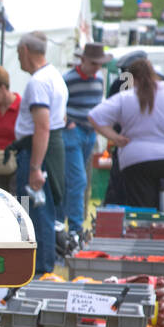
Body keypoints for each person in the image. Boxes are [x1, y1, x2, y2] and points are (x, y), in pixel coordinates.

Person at [8, 32, 68, 275]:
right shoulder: (54, 77)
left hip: (37, 153)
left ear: (24, 50)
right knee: (35, 209)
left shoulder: (38, 82)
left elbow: (42, 126)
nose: (18, 58)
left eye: (18, 53)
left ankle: (40, 269)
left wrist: (35, 167)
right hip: (44, 151)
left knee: (36, 211)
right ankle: (38, 266)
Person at [88, 56, 164, 209]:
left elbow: (94, 116)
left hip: (136, 160)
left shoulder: (126, 97)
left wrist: (115, 138)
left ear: (132, 78)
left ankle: (143, 228)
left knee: (142, 207)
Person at [61, 43, 106, 237]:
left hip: (89, 132)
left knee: (77, 180)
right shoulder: (68, 79)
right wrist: (67, 122)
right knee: (78, 180)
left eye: (99, 63)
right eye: (94, 63)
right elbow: (58, 104)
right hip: (74, 130)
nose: (97, 67)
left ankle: (65, 223)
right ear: (83, 60)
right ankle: (75, 228)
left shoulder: (100, 79)